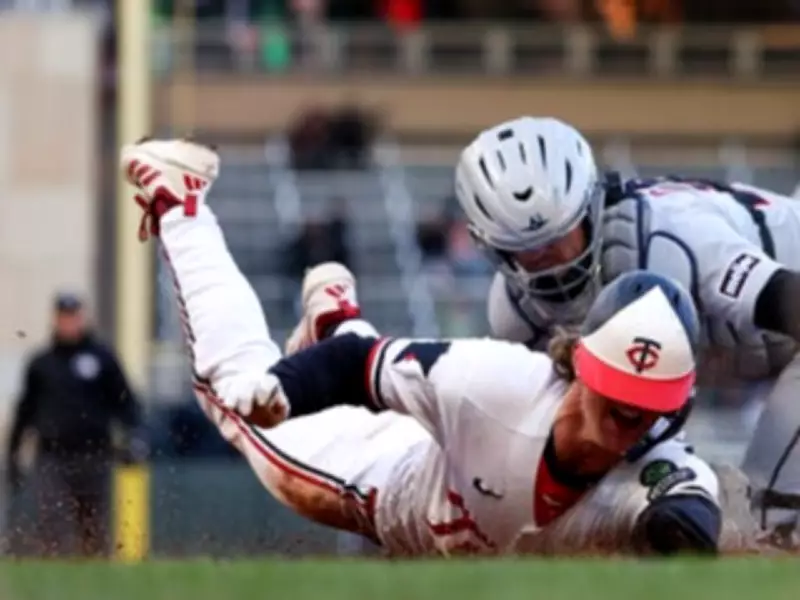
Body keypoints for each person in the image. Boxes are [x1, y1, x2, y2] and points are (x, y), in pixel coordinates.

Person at [120, 137, 742, 556]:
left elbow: (688, 515)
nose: (634, 421)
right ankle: (182, 202)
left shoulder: (657, 464)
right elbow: (359, 369)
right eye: (621, 397)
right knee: (240, 408)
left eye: (651, 404)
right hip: (386, 476)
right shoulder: (501, 382)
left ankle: (338, 314)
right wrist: (283, 388)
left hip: (446, 451)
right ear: (581, 364)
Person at [452, 115, 800, 548]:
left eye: (562, 235)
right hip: (748, 354)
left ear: (592, 207)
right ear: (492, 247)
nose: (551, 259)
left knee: (768, 520)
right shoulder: (514, 312)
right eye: (525, 250)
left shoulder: (667, 233)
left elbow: (788, 300)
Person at [5, 293, 143, 557]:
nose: (69, 324)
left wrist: (135, 436)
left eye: (74, 317)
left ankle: (94, 576)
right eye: (64, 318)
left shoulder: (102, 358)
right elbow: (25, 412)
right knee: (53, 523)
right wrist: (14, 455)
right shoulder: (41, 364)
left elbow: (125, 402)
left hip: (95, 455)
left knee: (93, 522)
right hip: (52, 457)